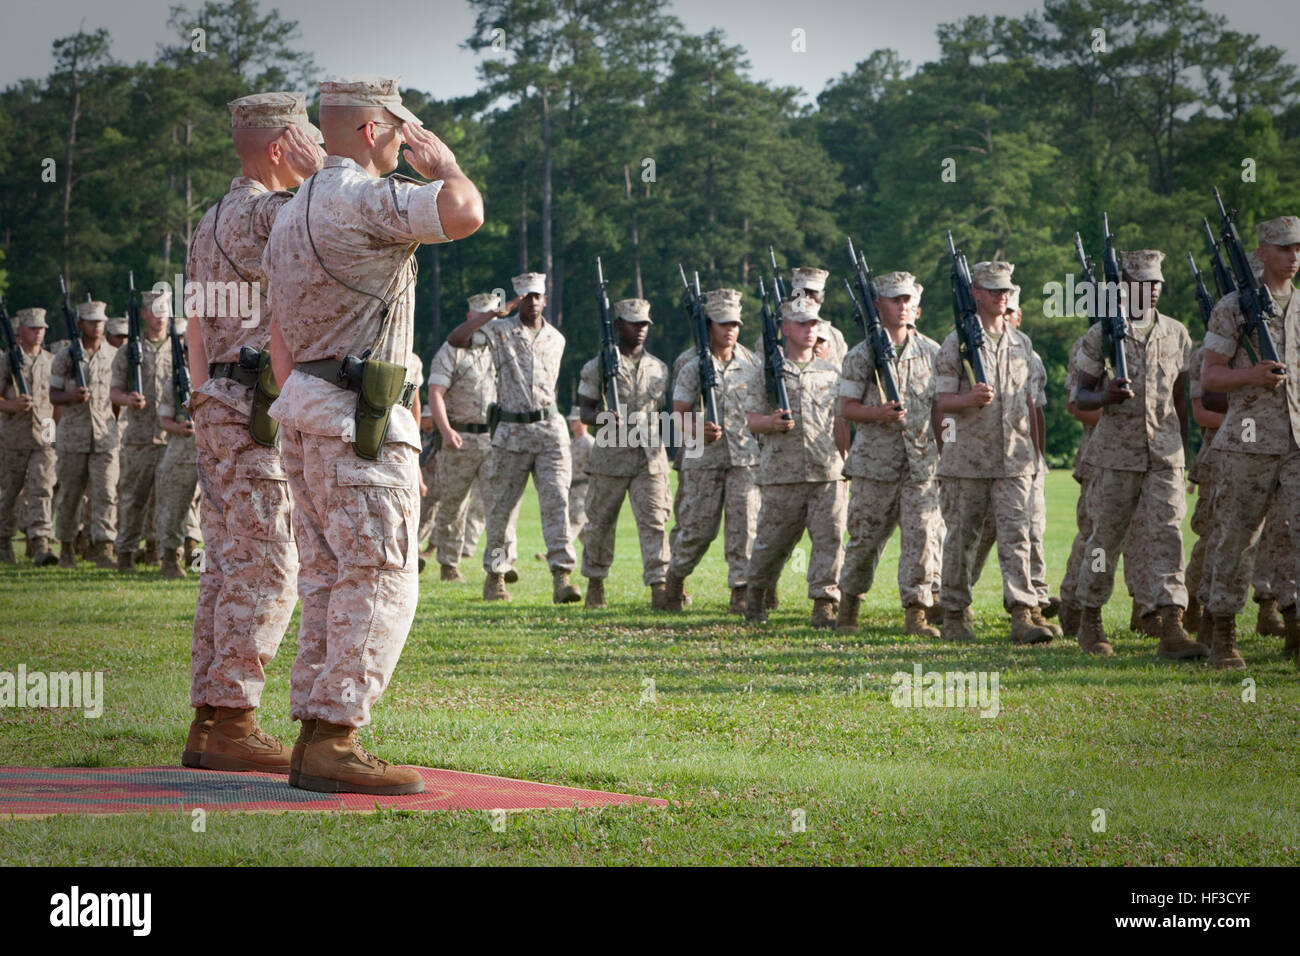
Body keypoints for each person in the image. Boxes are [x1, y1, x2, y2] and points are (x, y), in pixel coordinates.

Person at [264, 75, 484, 792]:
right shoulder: (363, 197)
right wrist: (444, 165)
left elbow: (279, 335)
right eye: (398, 129)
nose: (404, 141)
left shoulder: (293, 208)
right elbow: (464, 213)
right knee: (383, 577)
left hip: (304, 407)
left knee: (328, 576)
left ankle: (312, 733)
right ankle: (338, 738)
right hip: (359, 417)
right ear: (369, 130)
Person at [183, 91, 325, 773]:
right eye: (303, 140)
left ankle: (213, 718)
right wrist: (323, 169)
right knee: (271, 561)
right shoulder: (271, 212)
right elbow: (335, 210)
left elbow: (193, 322)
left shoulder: (209, 218)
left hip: (218, 399)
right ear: (280, 147)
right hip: (253, 406)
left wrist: (201, 389)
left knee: (227, 561)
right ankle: (233, 718)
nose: (314, 151)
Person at [1072, 250, 1203, 659]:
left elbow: (1181, 399)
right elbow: (1080, 394)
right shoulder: (1102, 334)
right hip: (1115, 454)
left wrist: (1183, 452)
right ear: (1124, 287)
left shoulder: (1178, 333)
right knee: (1104, 540)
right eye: (1141, 284)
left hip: (1165, 454)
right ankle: (1090, 618)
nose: (1149, 291)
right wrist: (1105, 395)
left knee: (1168, 535)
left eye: (1156, 284)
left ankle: (1171, 625)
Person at [933, 260, 1053, 644]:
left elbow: (1033, 405)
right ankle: (954, 613)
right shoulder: (958, 343)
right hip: (968, 459)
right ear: (977, 294)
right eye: (995, 289)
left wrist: (1038, 457)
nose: (1003, 296)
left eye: (1007, 290)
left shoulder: (1022, 344)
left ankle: (1022, 613)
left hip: (1015, 458)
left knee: (1017, 535)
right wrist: (966, 400)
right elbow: (939, 402)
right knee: (962, 538)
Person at [446, 272, 581, 604]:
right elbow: (456, 340)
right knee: (501, 509)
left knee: (557, 503)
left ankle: (562, 578)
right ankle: (496, 576)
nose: (532, 302)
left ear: (545, 299)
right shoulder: (498, 332)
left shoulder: (557, 339)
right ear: (517, 300)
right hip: (510, 433)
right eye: (525, 297)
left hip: (551, 432)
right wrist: (495, 312)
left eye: (537, 296)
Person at [1201, 215, 1300, 667]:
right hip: (1248, 441)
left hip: (1296, 442)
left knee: (1293, 536)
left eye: (1297, 248)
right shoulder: (1233, 306)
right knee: (1237, 538)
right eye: (1283, 248)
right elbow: (1211, 377)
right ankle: (1223, 630)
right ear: (1261, 252)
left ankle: (1295, 626)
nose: (1293, 256)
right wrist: (1253, 376)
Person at [835, 271, 943, 636]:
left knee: (923, 537)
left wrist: (947, 448)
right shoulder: (861, 354)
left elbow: (942, 409)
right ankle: (848, 603)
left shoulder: (933, 352)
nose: (902, 307)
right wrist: (877, 413)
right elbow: (846, 408)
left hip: (921, 463)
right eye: (895, 300)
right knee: (865, 539)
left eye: (907, 300)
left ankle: (917, 611)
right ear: (878, 304)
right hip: (874, 464)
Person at [743, 294, 848, 627]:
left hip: (827, 470)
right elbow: (748, 419)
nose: (809, 330)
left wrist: (846, 464)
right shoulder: (768, 374)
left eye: (814, 324)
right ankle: (756, 595)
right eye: (802, 324)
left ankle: (824, 604)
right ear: (786, 328)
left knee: (830, 540)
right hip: (781, 472)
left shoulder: (832, 373)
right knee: (772, 542)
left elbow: (841, 422)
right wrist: (770, 424)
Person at [667, 288, 760, 613]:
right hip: (702, 459)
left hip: (744, 459)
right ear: (709, 325)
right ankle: (675, 577)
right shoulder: (691, 364)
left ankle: (741, 590)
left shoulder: (752, 363)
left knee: (745, 527)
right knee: (697, 529)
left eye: (735, 323)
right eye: (723, 324)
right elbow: (676, 415)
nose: (730, 329)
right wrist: (698, 430)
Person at [578, 298, 671, 608]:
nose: (640, 330)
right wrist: (605, 416)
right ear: (618, 326)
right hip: (610, 456)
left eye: (645, 324)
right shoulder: (598, 365)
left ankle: (660, 585)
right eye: (634, 323)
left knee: (655, 522)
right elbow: (585, 411)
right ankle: (595, 582)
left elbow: (664, 412)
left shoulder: (659, 367)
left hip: (650, 456)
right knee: (601, 522)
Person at [427, 291, 502, 581]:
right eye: (481, 319)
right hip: (460, 437)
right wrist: (445, 431)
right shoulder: (451, 350)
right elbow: (435, 393)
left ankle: (500, 565)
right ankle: (448, 563)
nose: (486, 327)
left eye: (491, 320)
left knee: (498, 505)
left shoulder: (499, 350)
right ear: (470, 318)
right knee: (453, 504)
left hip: (494, 437)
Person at [50, 300, 119, 569]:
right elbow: (52, 394)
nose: (97, 326)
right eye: (91, 321)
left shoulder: (113, 355)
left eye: (101, 321)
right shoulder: (65, 356)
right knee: (70, 494)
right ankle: (66, 548)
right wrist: (71, 396)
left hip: (105, 437)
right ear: (80, 324)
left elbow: (116, 396)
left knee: (105, 493)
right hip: (73, 436)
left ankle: (103, 548)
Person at [110, 289, 173, 572]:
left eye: (165, 310)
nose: (160, 317)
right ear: (145, 314)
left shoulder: (178, 350)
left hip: (170, 438)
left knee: (167, 500)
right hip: (138, 438)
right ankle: (125, 554)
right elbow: (113, 392)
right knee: (134, 498)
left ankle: (159, 552)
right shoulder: (128, 350)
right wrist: (127, 400)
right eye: (155, 311)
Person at [0, 308, 58, 566]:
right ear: (19, 331)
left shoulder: (52, 360)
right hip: (13, 436)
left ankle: (41, 543)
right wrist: (11, 405)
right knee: (9, 492)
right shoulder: (6, 361)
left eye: (41, 328)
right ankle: (3, 542)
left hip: (44, 434)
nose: (38, 333)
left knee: (43, 489)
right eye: (32, 328)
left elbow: (58, 401)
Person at [568, 408, 593, 546]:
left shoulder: (590, 443)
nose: (572, 423)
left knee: (576, 520)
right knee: (583, 530)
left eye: (575, 420)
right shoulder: (570, 443)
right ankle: (595, 554)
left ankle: (560, 549)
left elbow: (596, 467)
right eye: (571, 420)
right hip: (571, 488)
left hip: (584, 488)